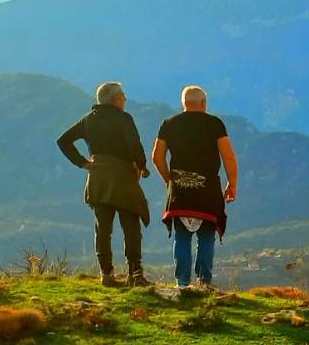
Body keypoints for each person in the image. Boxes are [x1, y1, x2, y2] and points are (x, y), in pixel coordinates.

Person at [57, 81, 151, 286]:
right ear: (115, 99)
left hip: (98, 177)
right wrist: (142, 166)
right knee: (131, 226)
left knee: (103, 228)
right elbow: (134, 144)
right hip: (124, 177)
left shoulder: (88, 119)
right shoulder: (124, 118)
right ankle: (135, 275)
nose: (125, 99)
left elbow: (63, 141)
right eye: (123, 95)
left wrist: (83, 163)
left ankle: (106, 275)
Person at [152, 85, 238, 291]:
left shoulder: (169, 124)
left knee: (182, 236)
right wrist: (232, 183)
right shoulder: (214, 124)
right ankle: (203, 282)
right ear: (204, 103)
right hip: (207, 190)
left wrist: (168, 179)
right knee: (207, 236)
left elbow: (156, 157)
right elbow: (228, 156)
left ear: (183, 103)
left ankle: (182, 283)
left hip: (179, 189)